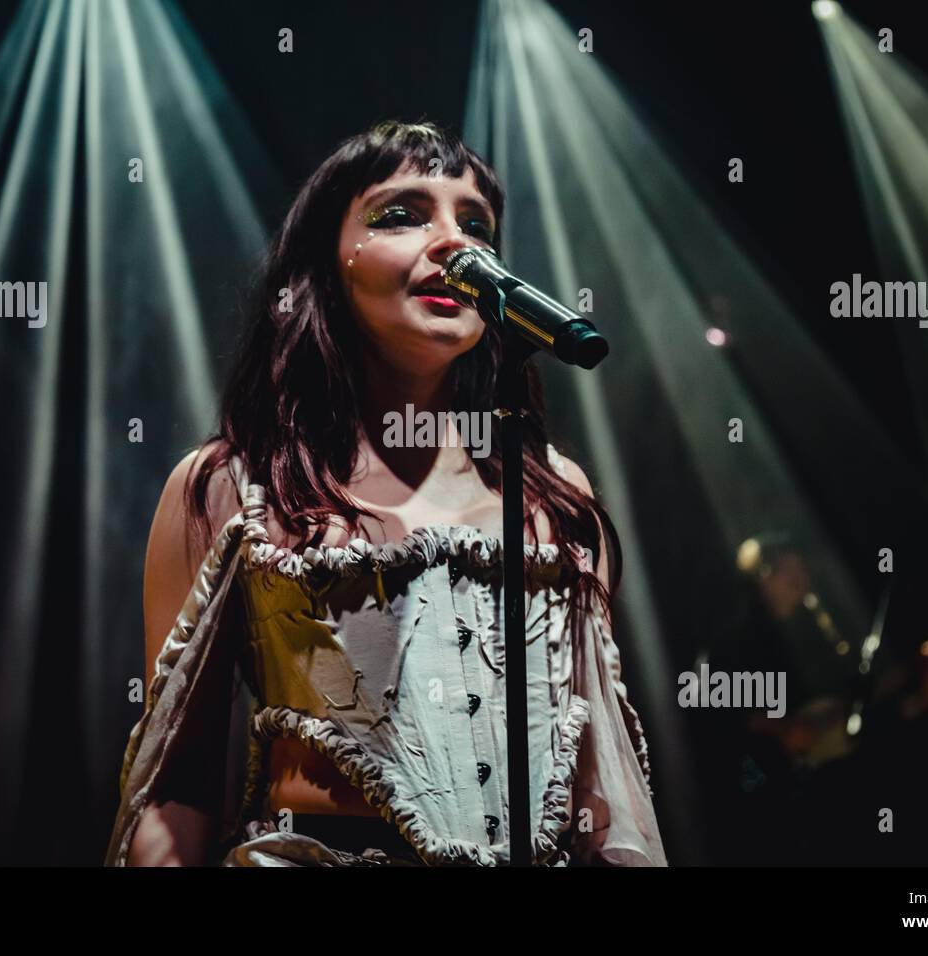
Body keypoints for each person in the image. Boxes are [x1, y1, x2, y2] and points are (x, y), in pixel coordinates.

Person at [104, 120, 667, 867]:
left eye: (475, 224)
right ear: (326, 262)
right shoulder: (231, 487)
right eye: (401, 214)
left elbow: (606, 783)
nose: (453, 243)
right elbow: (177, 783)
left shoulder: (552, 494)